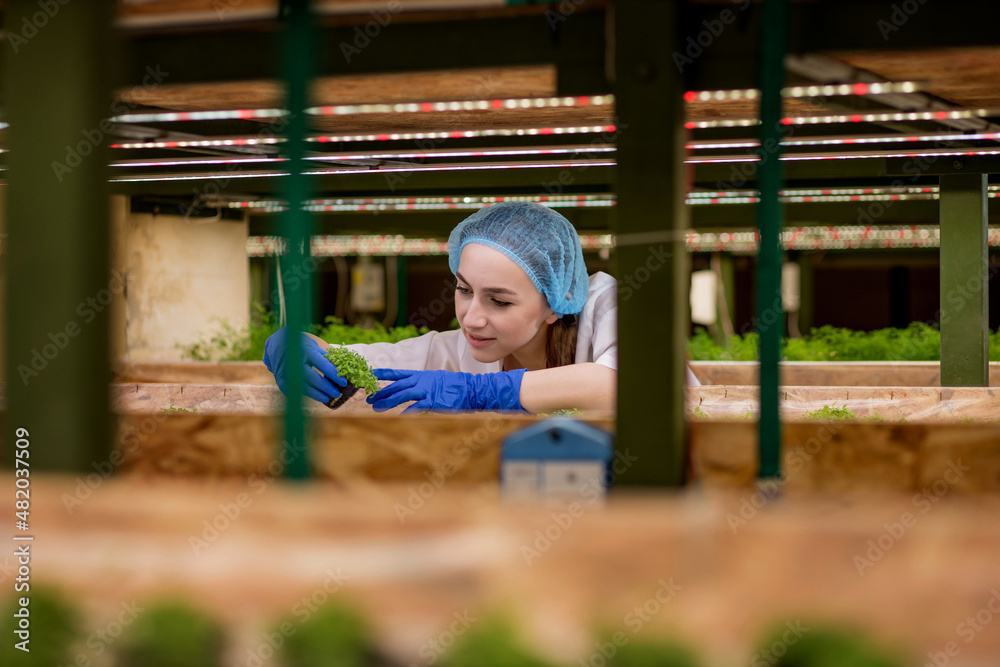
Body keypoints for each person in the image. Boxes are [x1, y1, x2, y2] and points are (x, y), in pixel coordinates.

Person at [263, 201, 697, 414]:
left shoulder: (607, 305)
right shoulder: (457, 353)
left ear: (555, 304)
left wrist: (483, 392)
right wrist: (290, 346)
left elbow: (642, 386)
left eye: (500, 300)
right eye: (464, 289)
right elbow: (363, 362)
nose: (471, 318)